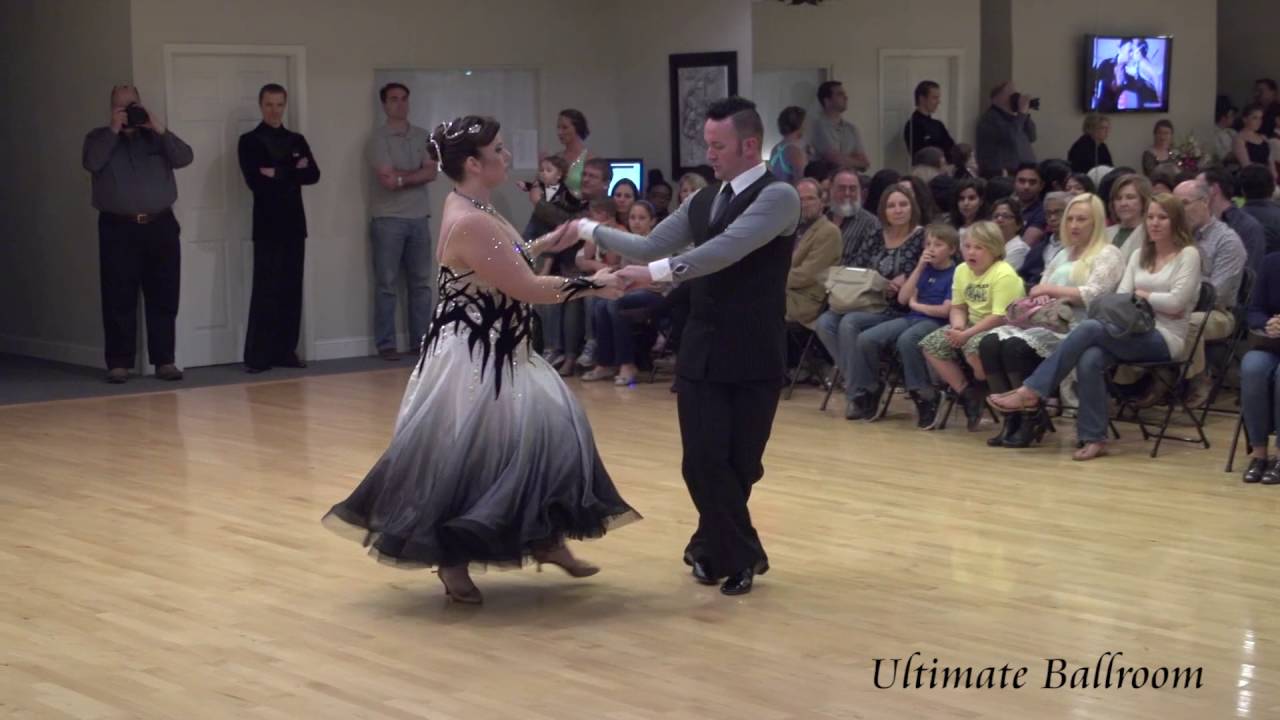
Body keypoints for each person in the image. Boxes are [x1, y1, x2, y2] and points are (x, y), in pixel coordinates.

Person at [323, 115, 639, 605]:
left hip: (502, 346)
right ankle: (452, 560)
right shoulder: (469, 217)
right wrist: (596, 285)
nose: (506, 155)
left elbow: (503, 261)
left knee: (548, 433)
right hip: (476, 357)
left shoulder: (472, 204)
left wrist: (542, 244)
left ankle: (545, 536)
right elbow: (526, 287)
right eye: (497, 150)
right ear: (473, 163)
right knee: (468, 458)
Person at [568, 97, 801, 596]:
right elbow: (652, 243)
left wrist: (652, 276)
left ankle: (708, 545)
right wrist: (588, 228)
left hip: (756, 349)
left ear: (750, 144)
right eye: (708, 145)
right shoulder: (703, 199)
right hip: (703, 348)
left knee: (742, 464)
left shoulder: (779, 197)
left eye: (718, 146)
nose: (710, 154)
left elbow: (724, 250)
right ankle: (742, 556)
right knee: (701, 459)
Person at [990, 194, 1202, 460]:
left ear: (1176, 221)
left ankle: (1031, 391)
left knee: (1090, 328)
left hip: (1166, 336)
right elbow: (1120, 299)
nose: (1155, 223)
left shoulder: (1188, 255)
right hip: (1129, 330)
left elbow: (1177, 303)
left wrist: (1145, 297)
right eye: (1150, 217)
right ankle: (1094, 438)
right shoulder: (1138, 254)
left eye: (1162, 217)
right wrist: (1145, 299)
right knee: (1091, 357)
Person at [82, 84, 193, 384]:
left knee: (164, 294)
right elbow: (92, 162)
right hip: (118, 227)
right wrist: (113, 130)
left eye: (132, 105)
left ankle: (165, 361)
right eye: (121, 106)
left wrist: (158, 127)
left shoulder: (156, 138)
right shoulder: (98, 138)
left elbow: (184, 158)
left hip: (160, 225)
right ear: (112, 109)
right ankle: (119, 363)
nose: (128, 111)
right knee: (118, 295)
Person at [237, 83, 320, 373]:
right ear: (261, 106)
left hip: (295, 224)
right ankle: (258, 355)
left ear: (285, 106)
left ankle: (285, 350)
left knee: (290, 288)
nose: (274, 110)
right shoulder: (249, 141)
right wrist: (293, 169)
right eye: (269, 104)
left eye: (279, 105)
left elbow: (312, 174)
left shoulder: (296, 139)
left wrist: (278, 171)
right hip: (267, 224)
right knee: (266, 289)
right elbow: (256, 181)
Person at [367, 82, 438, 362]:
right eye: (394, 99)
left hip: (419, 217)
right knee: (386, 284)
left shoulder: (423, 136)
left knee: (421, 284)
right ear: (384, 104)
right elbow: (386, 179)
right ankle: (386, 344)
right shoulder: (377, 139)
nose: (400, 104)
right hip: (387, 219)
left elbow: (431, 173)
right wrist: (412, 174)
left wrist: (401, 177)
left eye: (404, 99)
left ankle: (421, 342)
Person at [1239, 253, 1280, 483]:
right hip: (1271, 343)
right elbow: (1254, 310)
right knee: (1252, 367)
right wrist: (1267, 323)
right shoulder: (1271, 262)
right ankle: (1259, 454)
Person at [976, 82, 1037, 178]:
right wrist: (1021, 114)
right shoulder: (990, 118)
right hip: (1004, 174)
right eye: (1011, 93)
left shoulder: (1017, 118)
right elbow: (1011, 137)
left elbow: (1032, 136)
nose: (1016, 96)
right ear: (997, 97)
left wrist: (1025, 115)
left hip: (1025, 170)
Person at [811, 81, 870, 171]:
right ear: (827, 101)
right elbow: (834, 159)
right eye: (840, 94)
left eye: (844, 94)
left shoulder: (851, 129)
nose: (846, 97)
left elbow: (865, 163)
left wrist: (844, 159)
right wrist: (852, 159)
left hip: (851, 180)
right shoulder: (817, 127)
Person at [903, 80, 956, 158]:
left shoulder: (938, 124)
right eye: (934, 98)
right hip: (926, 169)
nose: (938, 102)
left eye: (938, 98)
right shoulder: (913, 125)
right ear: (922, 99)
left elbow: (952, 148)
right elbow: (921, 156)